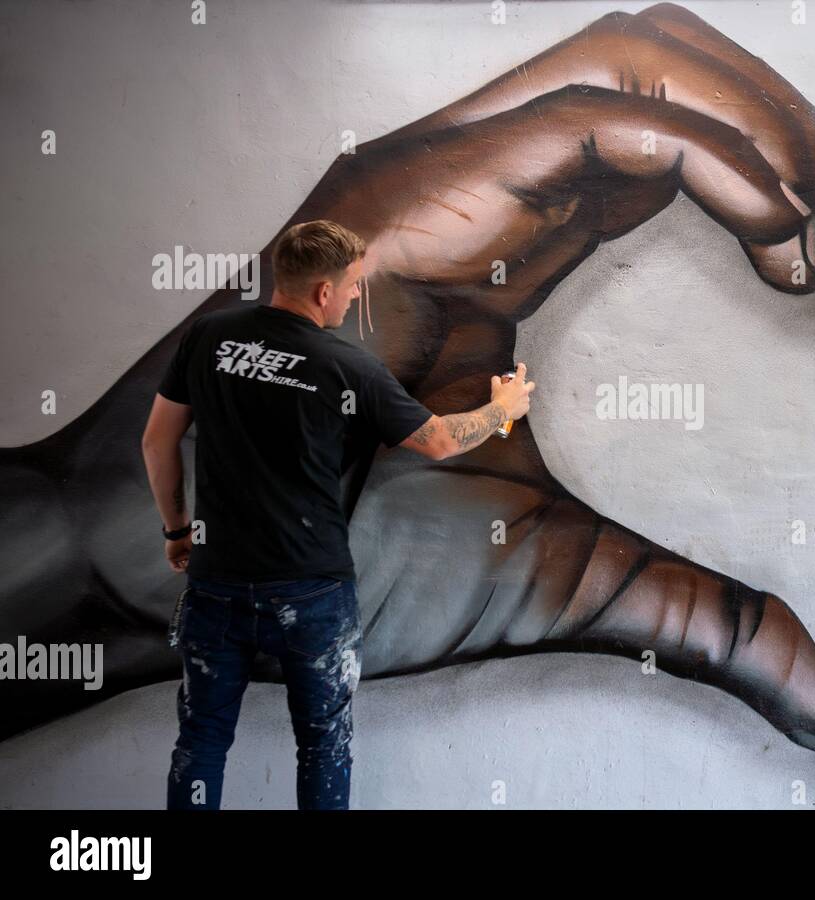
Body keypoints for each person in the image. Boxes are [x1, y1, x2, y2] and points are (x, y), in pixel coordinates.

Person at [140, 219, 535, 809]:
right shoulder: (346, 366)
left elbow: (156, 440)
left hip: (216, 583)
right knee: (324, 747)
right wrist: (503, 408)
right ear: (324, 291)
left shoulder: (209, 337)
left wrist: (176, 531)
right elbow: (438, 441)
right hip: (311, 592)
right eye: (353, 286)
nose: (355, 298)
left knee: (200, 743)